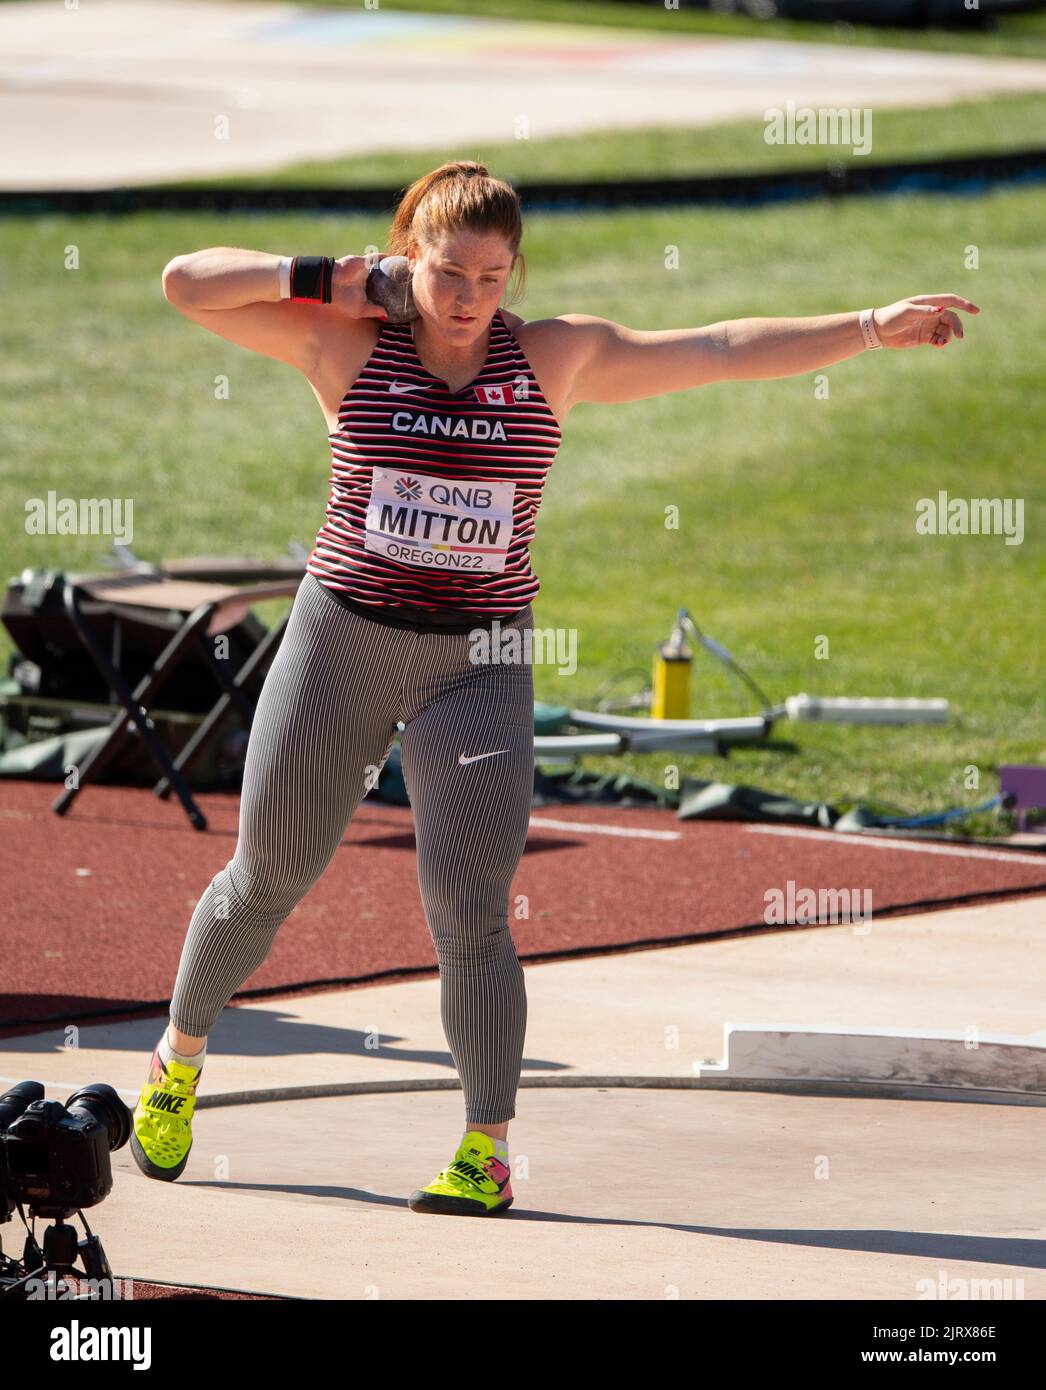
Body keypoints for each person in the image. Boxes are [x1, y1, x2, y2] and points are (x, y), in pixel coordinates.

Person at [131, 159, 979, 1216]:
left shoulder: (553, 357)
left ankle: (484, 1148)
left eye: (491, 275)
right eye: (446, 271)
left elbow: (714, 349)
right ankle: (176, 1062)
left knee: (472, 908)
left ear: (513, 272)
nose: (468, 296)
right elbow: (182, 281)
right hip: (341, 639)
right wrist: (322, 277)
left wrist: (864, 324)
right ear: (406, 259)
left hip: (476, 661)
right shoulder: (342, 341)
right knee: (268, 876)